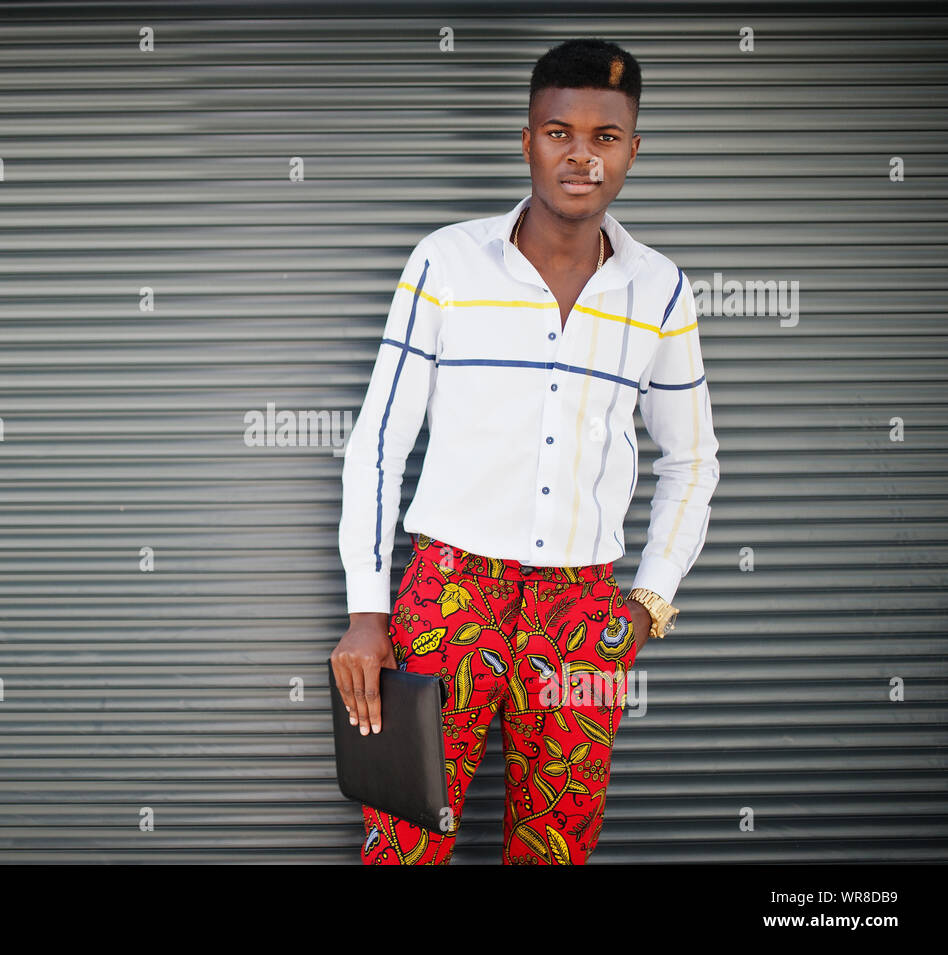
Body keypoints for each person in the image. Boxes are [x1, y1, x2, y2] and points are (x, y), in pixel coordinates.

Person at [331, 38, 720, 864]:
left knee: (555, 847)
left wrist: (646, 602)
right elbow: (378, 441)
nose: (581, 156)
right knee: (402, 842)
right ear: (527, 139)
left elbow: (693, 459)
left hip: (582, 613)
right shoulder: (446, 261)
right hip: (447, 598)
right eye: (559, 132)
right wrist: (369, 613)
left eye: (605, 137)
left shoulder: (660, 288)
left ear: (633, 149)